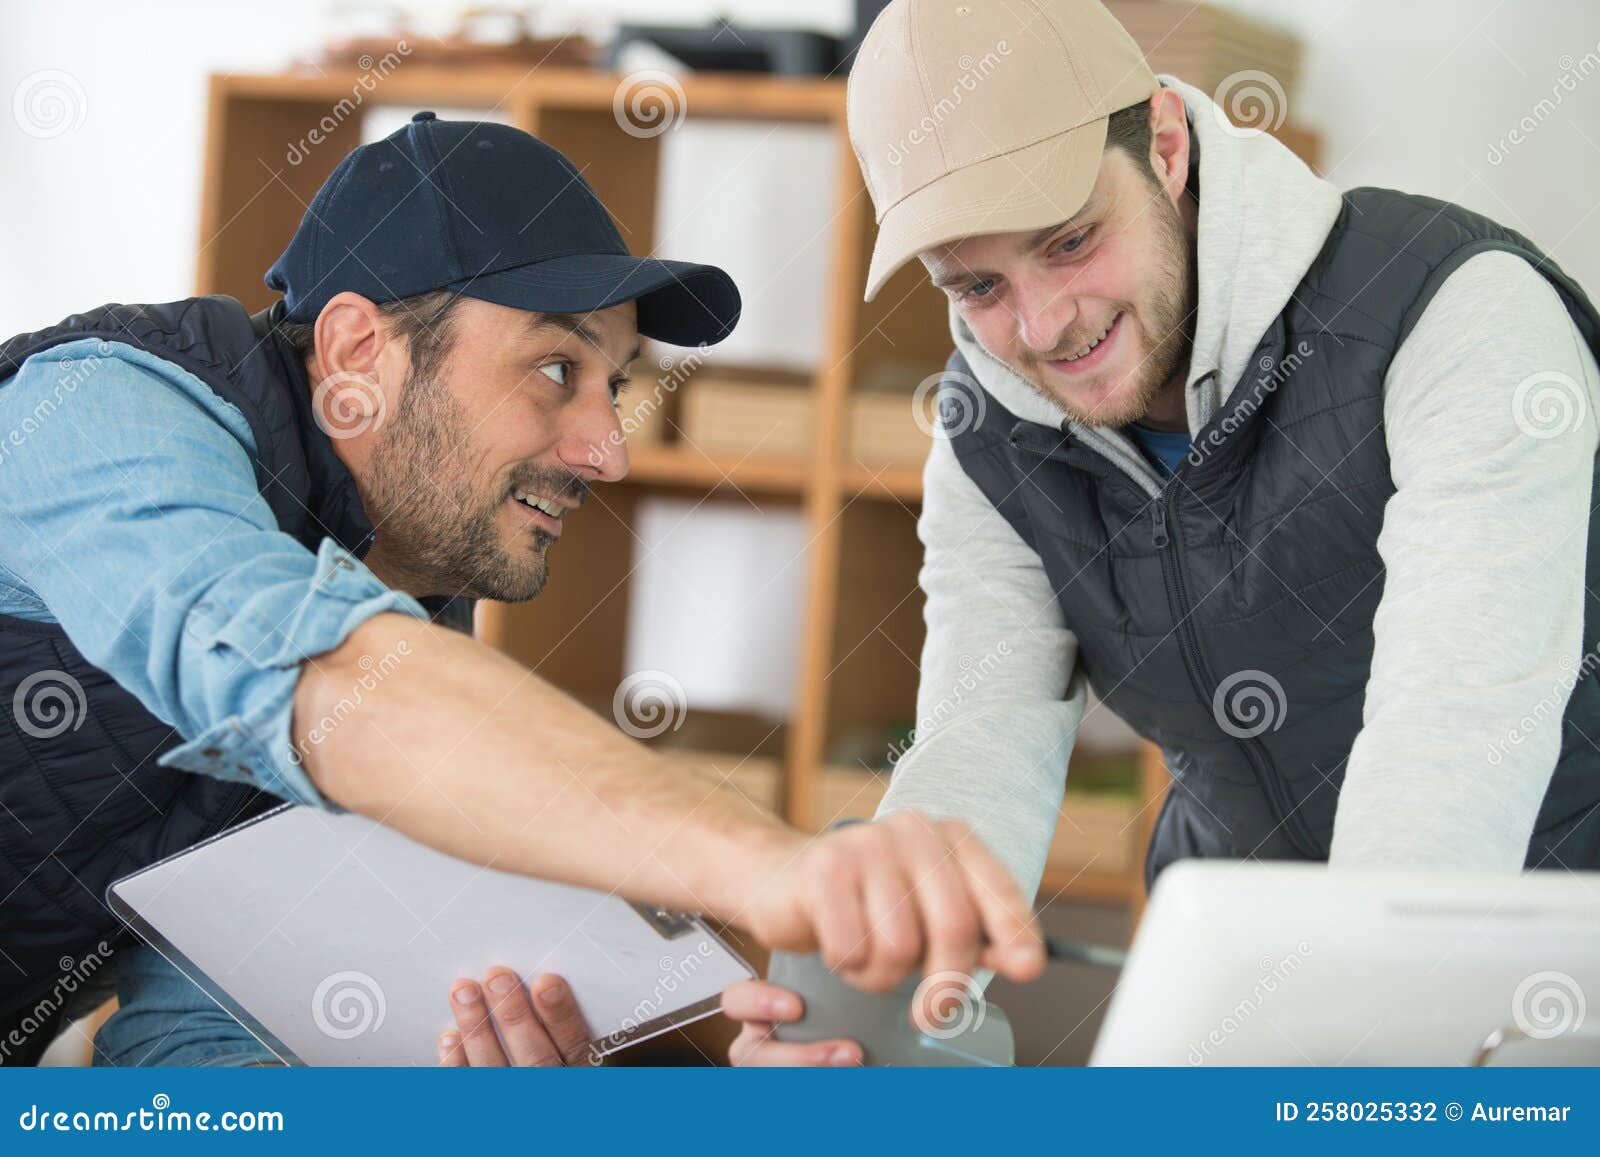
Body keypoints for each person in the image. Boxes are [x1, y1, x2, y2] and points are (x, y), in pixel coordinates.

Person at [0, 112, 1042, 1067]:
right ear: (357, 350)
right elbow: (308, 670)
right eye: (555, 369)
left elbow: (198, 1028)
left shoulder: (411, 586)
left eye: (616, 385)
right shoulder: (100, 415)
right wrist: (766, 866)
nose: (607, 451)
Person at [725, 0, 1600, 1064]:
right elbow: (982, 740)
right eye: (979, 286)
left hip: (1542, 961)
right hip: (1238, 961)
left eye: (1069, 241)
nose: (1044, 326)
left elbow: (1454, 739)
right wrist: (874, 1014)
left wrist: (1364, 1045)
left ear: (1168, 145)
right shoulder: (986, 429)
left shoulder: (1456, 315)